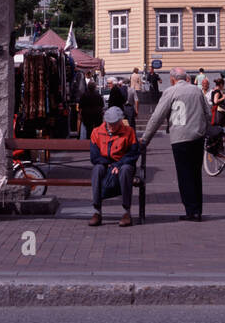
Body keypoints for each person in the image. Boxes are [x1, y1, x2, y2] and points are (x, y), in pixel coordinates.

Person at [139, 68, 209, 221]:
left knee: (184, 175)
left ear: (172, 79)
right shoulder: (197, 92)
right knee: (196, 174)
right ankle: (197, 209)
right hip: (197, 137)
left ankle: (191, 211)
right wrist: (204, 129)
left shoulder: (170, 92)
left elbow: (157, 117)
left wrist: (145, 139)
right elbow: (208, 113)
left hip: (180, 137)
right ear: (187, 78)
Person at [88, 107, 139, 227]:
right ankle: (97, 211)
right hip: (105, 164)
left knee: (126, 170)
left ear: (120, 122)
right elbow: (94, 157)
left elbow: (133, 153)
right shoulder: (96, 132)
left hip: (123, 164)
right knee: (97, 170)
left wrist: (118, 165)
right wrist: (110, 165)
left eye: (115, 124)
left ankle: (126, 212)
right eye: (109, 123)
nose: (111, 126)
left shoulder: (129, 131)